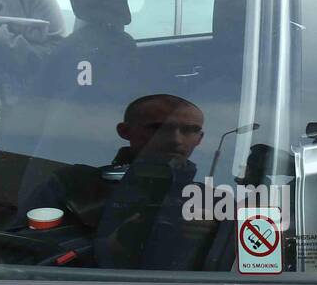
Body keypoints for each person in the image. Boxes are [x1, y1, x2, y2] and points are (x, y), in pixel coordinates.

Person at [14, 94, 219, 270]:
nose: (176, 139)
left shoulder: (213, 201)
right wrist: (106, 246)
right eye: (159, 127)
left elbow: (244, 267)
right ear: (125, 131)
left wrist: (210, 238)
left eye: (189, 130)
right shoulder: (72, 185)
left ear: (200, 138)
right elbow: (15, 250)